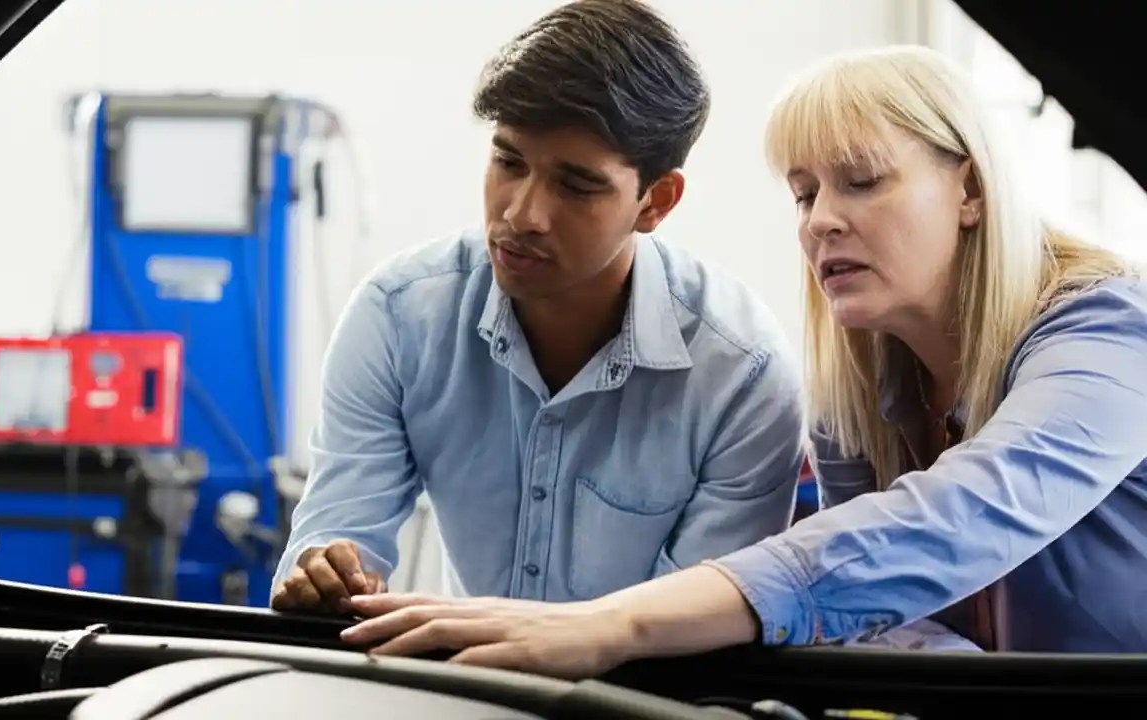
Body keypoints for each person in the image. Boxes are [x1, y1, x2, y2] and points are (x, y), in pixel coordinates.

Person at [337, 44, 1147, 676]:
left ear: (970, 190)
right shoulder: (855, 390)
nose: (821, 221)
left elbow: (957, 520)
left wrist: (614, 624)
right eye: (804, 193)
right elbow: (874, 616)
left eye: (861, 181)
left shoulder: (1110, 336)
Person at [269, 0, 804, 614]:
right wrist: (330, 577)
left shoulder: (742, 375)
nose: (522, 215)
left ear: (655, 202)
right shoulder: (397, 318)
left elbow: (694, 634)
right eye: (508, 161)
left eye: (575, 186)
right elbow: (340, 537)